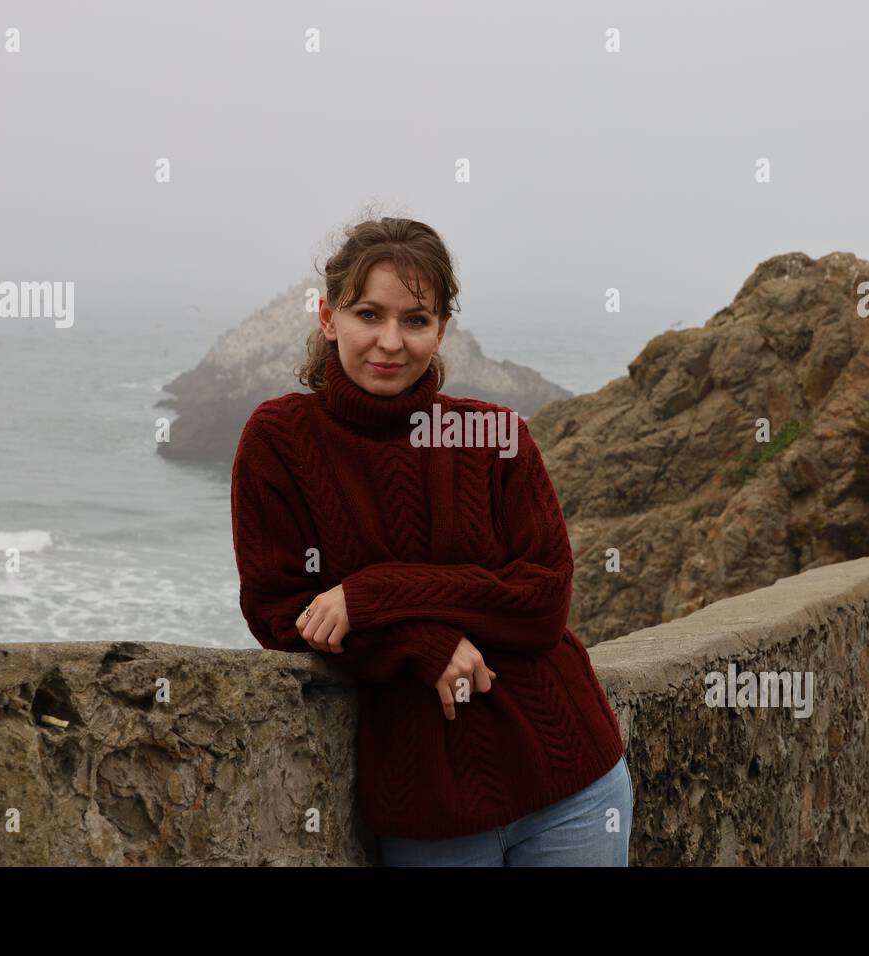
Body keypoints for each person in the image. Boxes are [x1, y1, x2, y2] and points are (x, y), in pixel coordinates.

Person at [230, 216, 632, 866]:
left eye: (415, 320)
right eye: (368, 314)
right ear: (328, 317)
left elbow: (543, 600)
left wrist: (372, 593)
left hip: (574, 780)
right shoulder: (279, 441)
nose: (390, 342)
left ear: (441, 330)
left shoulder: (496, 436)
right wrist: (422, 643)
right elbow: (280, 610)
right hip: (429, 810)